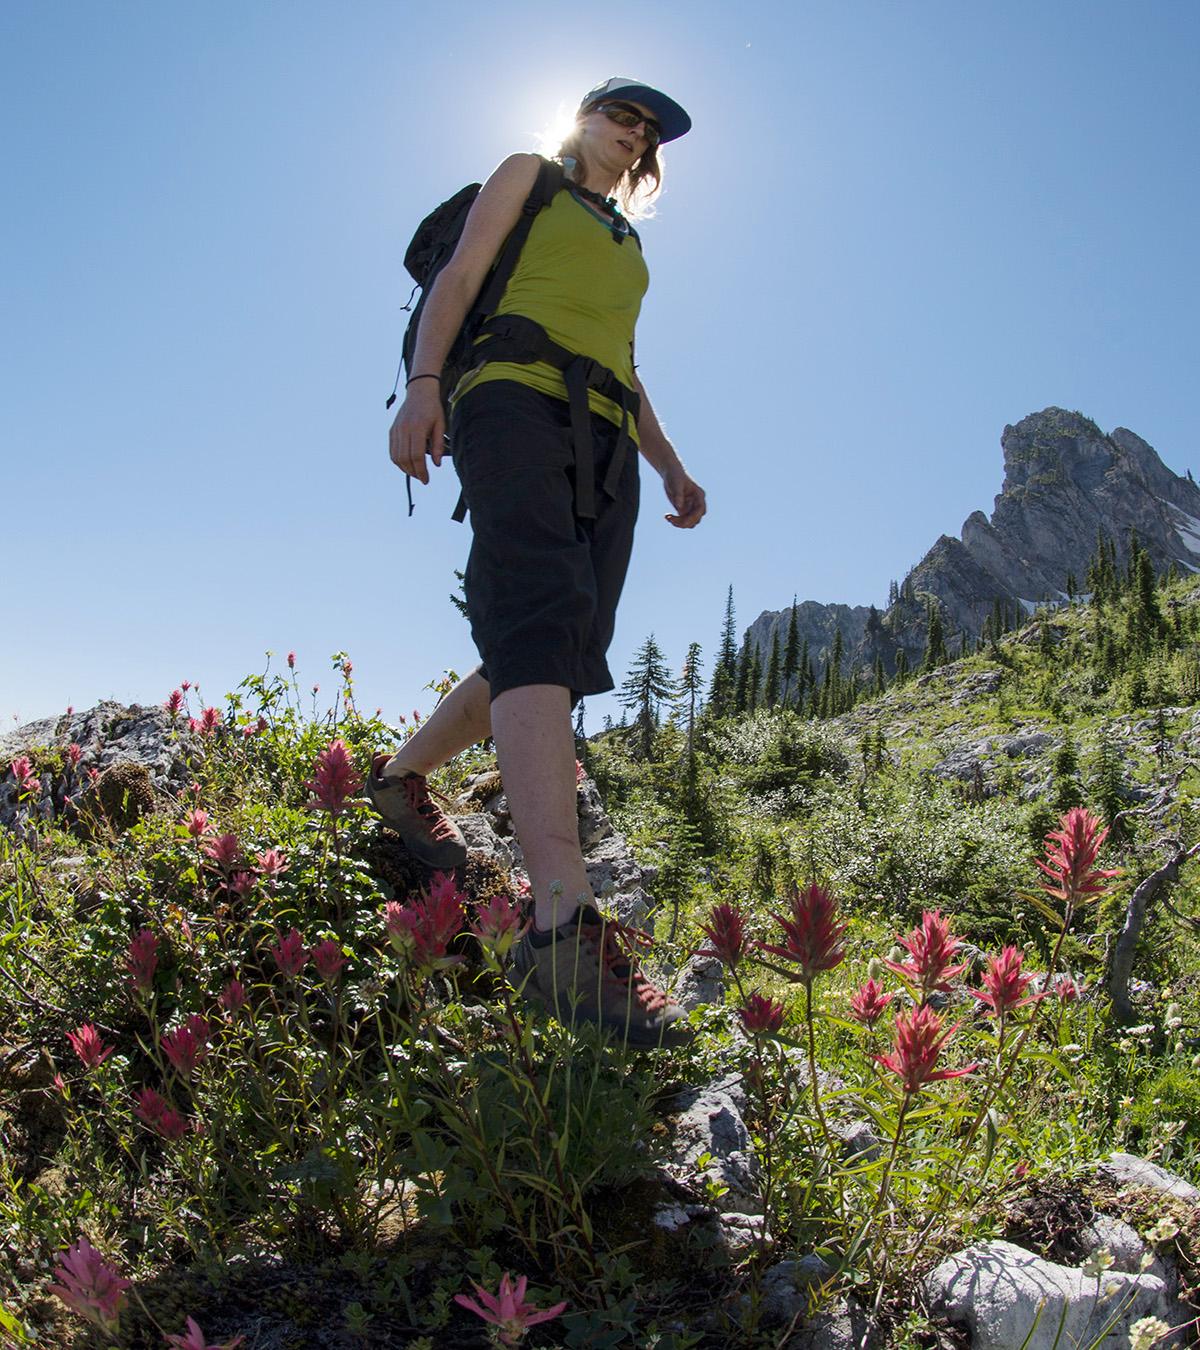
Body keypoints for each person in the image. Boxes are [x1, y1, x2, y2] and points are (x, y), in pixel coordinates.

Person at [370, 78, 706, 1048]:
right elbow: (462, 276)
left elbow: (627, 365)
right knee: (536, 616)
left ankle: (397, 777)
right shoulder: (528, 177)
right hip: (508, 396)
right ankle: (561, 921)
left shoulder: (627, 245)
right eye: (621, 114)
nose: (634, 132)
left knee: (558, 640)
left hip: (603, 439)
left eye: (647, 128)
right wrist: (425, 385)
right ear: (583, 121)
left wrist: (673, 465)